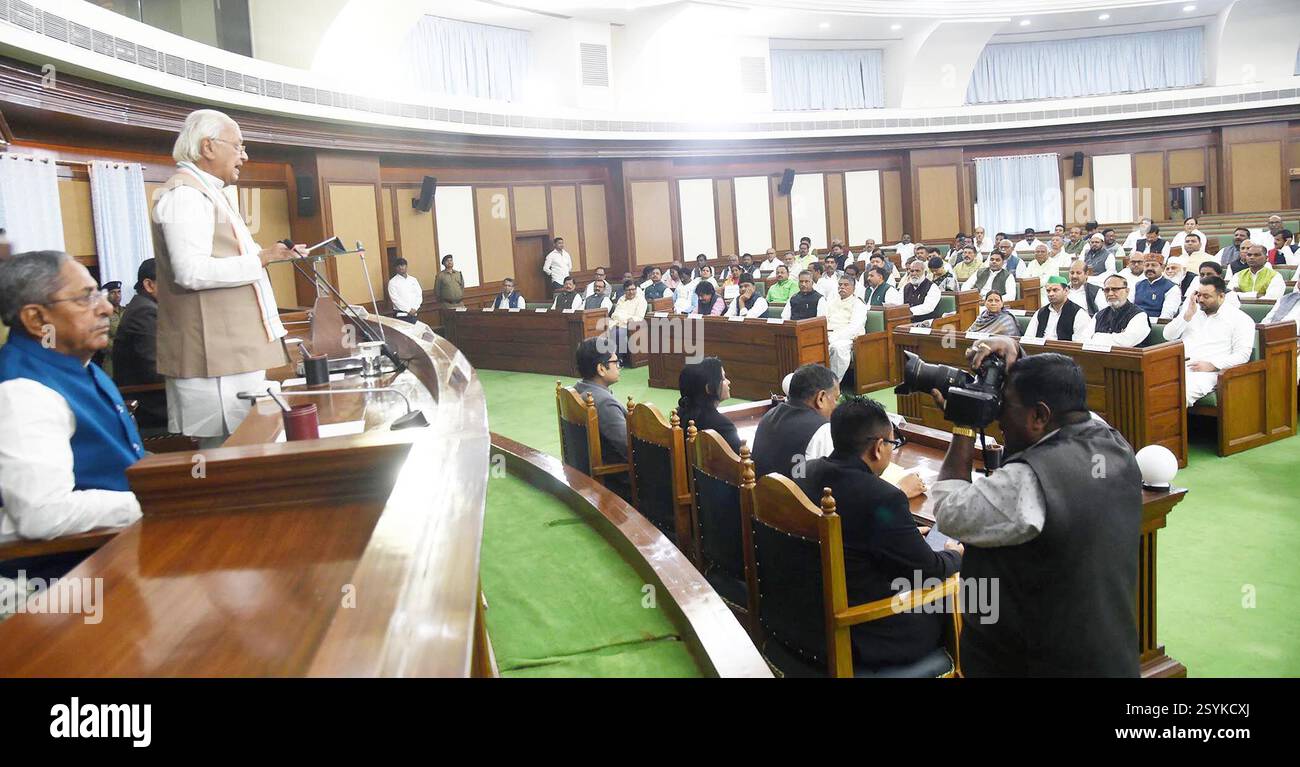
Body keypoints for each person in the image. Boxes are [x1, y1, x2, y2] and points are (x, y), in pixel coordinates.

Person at [930, 339, 1142, 676]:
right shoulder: (1114, 444)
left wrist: (965, 423)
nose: (998, 414)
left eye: (1006, 405)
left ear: (1040, 415)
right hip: (1107, 657)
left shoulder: (1027, 481)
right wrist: (1019, 361)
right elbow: (1067, 400)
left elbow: (949, 511)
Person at [151, 109, 309, 447]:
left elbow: (238, 262)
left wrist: (269, 256)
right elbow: (190, 272)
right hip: (215, 363)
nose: (244, 155)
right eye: (238, 146)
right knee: (231, 458)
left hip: (231, 356)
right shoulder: (186, 196)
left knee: (254, 450)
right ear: (208, 147)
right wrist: (262, 258)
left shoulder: (211, 193)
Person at [794, 397, 961, 672]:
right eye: (893, 444)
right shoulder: (883, 498)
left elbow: (858, 539)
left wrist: (903, 539)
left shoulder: (805, 474)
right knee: (965, 590)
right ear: (877, 447)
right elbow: (930, 571)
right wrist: (954, 555)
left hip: (808, 619)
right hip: (868, 634)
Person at [0, 251, 144, 563]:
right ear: (37, 319)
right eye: (86, 298)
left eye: (101, 295)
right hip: (69, 581)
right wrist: (155, 500)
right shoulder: (22, 390)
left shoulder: (77, 363)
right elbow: (42, 514)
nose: (107, 308)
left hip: (126, 548)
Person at [1164, 276, 1256, 406]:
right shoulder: (1192, 312)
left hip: (1210, 373)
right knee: (1147, 386)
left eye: (1206, 296)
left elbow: (1242, 355)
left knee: (1173, 394)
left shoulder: (1240, 319)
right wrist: (1186, 316)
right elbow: (1168, 335)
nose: (1201, 300)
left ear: (1221, 297)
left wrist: (1213, 364)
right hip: (1179, 366)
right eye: (1199, 295)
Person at [751, 364, 839, 478]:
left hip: (760, 494)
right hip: (796, 495)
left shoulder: (768, 416)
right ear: (821, 397)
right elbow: (832, 481)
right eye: (836, 398)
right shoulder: (822, 430)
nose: (836, 405)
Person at [573, 337, 630, 500]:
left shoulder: (578, 390)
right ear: (601, 369)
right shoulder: (603, 402)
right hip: (618, 481)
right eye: (616, 362)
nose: (619, 367)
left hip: (586, 473)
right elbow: (630, 447)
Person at [111, 258, 165, 431]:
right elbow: (156, 371)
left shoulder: (144, 306)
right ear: (149, 285)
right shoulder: (145, 312)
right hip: (152, 408)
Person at [677, 357, 740, 453]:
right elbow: (742, 463)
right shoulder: (722, 426)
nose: (728, 382)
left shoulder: (679, 414)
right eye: (723, 378)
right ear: (709, 388)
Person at [1082, 274, 1150, 347]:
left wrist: (1096, 336)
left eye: (1115, 289)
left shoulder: (1139, 315)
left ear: (1127, 291)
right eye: (1106, 290)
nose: (1110, 294)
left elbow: (1126, 342)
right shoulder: (1099, 315)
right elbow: (1083, 339)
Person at [826, 275, 869, 380]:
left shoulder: (858, 303)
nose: (842, 287)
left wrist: (832, 338)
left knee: (837, 348)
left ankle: (834, 383)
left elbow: (854, 327)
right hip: (828, 334)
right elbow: (824, 319)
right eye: (840, 285)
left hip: (848, 338)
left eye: (846, 285)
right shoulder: (831, 301)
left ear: (853, 288)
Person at [1024, 276, 1088, 342]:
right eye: (1048, 291)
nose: (1050, 294)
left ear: (1066, 291)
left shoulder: (1079, 314)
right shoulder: (1040, 313)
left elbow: (1079, 344)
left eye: (1055, 290)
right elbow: (1028, 338)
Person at [608, 279, 647, 366]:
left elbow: (639, 317)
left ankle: (618, 359)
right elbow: (615, 314)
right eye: (629, 290)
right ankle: (607, 359)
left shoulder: (641, 300)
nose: (631, 292)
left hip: (632, 327)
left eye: (633, 289)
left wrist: (623, 319)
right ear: (625, 291)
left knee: (617, 333)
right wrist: (623, 318)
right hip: (617, 323)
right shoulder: (622, 299)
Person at [1134, 253, 1181, 320]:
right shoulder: (1138, 285)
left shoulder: (1172, 288)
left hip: (1156, 325)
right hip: (1135, 323)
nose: (1149, 268)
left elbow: (1166, 316)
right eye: (1147, 265)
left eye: (1154, 265)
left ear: (1162, 268)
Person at [94, 280, 124, 376]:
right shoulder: (101, 315)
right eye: (113, 292)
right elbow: (103, 340)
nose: (117, 295)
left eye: (119, 292)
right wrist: (122, 349)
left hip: (129, 362)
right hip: (112, 362)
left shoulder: (127, 311)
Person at [900, 258, 942, 323]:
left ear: (924, 272)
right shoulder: (905, 287)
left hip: (926, 323)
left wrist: (908, 311)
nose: (914, 274)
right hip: (907, 322)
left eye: (917, 271)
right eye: (912, 271)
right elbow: (899, 304)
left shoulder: (932, 287)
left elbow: (928, 307)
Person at [386, 257, 422, 323]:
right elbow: (395, 299)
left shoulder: (413, 280)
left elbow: (419, 295)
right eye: (398, 266)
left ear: (406, 266)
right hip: (401, 314)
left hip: (414, 312)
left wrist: (415, 308)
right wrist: (408, 310)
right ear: (396, 268)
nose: (401, 267)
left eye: (403, 265)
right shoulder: (392, 282)